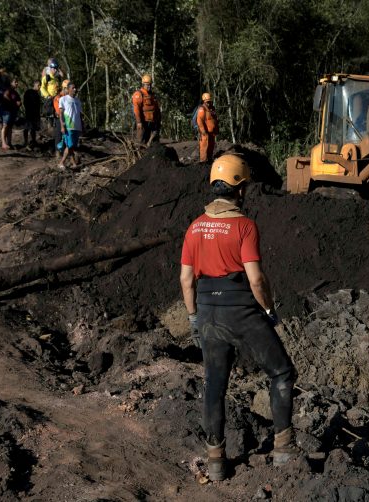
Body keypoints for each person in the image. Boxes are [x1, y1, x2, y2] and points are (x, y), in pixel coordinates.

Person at [179, 155, 298, 481]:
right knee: (282, 372)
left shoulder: (195, 226)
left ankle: (216, 461)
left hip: (207, 313)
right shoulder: (244, 226)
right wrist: (271, 311)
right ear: (240, 188)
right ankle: (285, 451)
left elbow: (187, 280)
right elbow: (256, 279)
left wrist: (193, 317)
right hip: (242, 311)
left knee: (215, 384)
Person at [58, 82, 83, 170]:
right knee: (70, 145)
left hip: (77, 126)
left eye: (75, 88)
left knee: (72, 146)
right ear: (68, 89)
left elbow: (80, 115)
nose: (75, 89)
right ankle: (61, 162)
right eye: (73, 88)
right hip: (69, 126)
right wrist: (62, 125)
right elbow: (60, 114)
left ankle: (73, 163)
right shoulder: (63, 99)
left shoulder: (78, 101)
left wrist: (82, 127)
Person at [131, 74, 161, 146]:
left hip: (152, 123)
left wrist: (158, 121)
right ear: (143, 84)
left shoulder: (152, 95)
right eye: (147, 85)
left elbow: (157, 109)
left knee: (152, 144)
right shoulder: (138, 94)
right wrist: (139, 122)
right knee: (140, 143)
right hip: (143, 123)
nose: (149, 86)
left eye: (150, 84)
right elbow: (136, 109)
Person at [40, 58, 64, 128]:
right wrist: (47, 95)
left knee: (57, 113)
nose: (55, 70)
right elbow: (42, 87)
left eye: (56, 68)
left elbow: (62, 77)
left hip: (56, 98)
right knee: (49, 113)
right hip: (49, 98)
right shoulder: (46, 76)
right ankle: (49, 127)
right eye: (54, 68)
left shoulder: (57, 78)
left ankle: (56, 127)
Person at [196, 92, 219, 163]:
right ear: (204, 101)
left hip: (212, 132)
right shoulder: (202, 109)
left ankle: (209, 159)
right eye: (207, 102)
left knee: (211, 146)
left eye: (210, 101)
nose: (209, 103)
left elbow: (214, 119)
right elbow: (199, 121)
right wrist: (203, 131)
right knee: (204, 146)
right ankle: (203, 161)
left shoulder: (212, 108)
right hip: (205, 132)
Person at [0, 78, 21, 150]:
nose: (17, 83)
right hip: (6, 111)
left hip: (12, 111)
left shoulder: (15, 92)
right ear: (11, 83)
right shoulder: (8, 90)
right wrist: (13, 102)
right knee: (5, 126)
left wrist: (18, 104)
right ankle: (3, 143)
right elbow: (5, 96)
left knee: (9, 127)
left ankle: (9, 143)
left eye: (17, 82)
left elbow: (18, 100)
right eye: (15, 82)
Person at [52, 79, 69, 159]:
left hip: (67, 119)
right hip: (60, 119)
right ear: (65, 88)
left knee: (66, 135)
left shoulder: (68, 98)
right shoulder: (58, 98)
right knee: (58, 135)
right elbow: (59, 111)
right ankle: (58, 152)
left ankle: (65, 151)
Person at [22, 81, 41, 147]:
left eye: (40, 85)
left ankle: (33, 141)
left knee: (33, 128)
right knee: (26, 127)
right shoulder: (28, 92)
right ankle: (25, 142)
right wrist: (27, 109)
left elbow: (38, 105)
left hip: (35, 114)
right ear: (34, 85)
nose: (39, 87)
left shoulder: (37, 94)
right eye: (38, 85)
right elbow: (25, 102)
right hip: (29, 113)